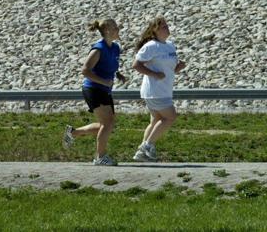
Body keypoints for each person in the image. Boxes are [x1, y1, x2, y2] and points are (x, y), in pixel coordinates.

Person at [62, 18, 127, 166]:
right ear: (107, 31)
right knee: (108, 123)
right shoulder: (98, 48)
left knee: (107, 125)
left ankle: (72, 133)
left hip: (104, 89)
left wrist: (118, 75)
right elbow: (85, 70)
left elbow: (110, 66)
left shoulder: (115, 48)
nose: (118, 29)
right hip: (93, 88)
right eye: (115, 27)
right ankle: (100, 157)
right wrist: (104, 81)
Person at [132, 16, 187, 162]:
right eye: (163, 26)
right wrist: (154, 74)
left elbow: (169, 69)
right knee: (170, 117)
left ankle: (141, 154)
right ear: (154, 30)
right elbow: (136, 65)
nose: (166, 28)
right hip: (155, 90)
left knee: (156, 120)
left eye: (166, 25)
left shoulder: (170, 45)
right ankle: (147, 145)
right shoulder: (151, 46)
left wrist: (178, 68)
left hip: (164, 89)